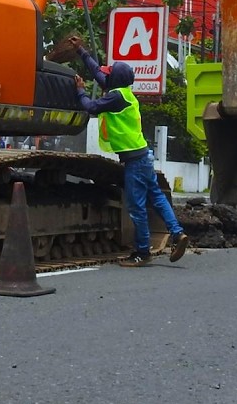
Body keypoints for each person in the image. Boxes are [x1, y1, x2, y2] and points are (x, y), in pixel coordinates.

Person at [71, 39, 188, 267]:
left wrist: (80, 92)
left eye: (109, 72)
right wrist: (81, 51)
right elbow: (98, 73)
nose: (105, 74)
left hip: (135, 161)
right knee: (156, 197)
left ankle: (142, 252)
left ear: (114, 79)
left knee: (136, 207)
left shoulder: (115, 97)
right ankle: (177, 233)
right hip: (143, 155)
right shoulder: (123, 93)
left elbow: (91, 107)